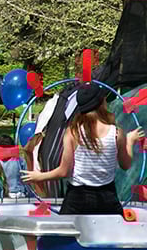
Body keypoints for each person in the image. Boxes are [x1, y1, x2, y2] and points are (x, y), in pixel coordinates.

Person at [22, 82, 143, 214]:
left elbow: (64, 172)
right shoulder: (117, 133)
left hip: (77, 198)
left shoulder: (73, 133)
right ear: (101, 103)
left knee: (66, 233)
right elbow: (125, 165)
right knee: (112, 232)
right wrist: (130, 141)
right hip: (107, 197)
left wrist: (39, 176)